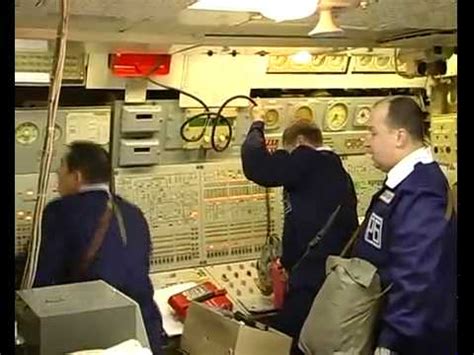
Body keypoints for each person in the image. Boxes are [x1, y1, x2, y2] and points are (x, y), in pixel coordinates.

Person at [241, 107, 359, 354]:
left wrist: (257, 123)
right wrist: (286, 260)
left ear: (301, 143)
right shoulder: (337, 171)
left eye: (288, 153)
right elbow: (306, 222)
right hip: (333, 276)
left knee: (283, 342)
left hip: (311, 279)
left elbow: (257, 167)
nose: (287, 160)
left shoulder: (308, 157)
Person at [33, 141, 165, 355]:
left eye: (60, 174)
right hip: (144, 331)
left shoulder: (59, 211)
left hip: (91, 335)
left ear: (76, 177)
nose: (57, 183)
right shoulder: (133, 212)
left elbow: (43, 281)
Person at [351, 96, 456, 355]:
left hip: (411, 341)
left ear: (399, 137)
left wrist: (391, 343)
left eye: (373, 132)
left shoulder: (422, 192)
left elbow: (417, 277)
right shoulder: (403, 185)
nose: (366, 141)